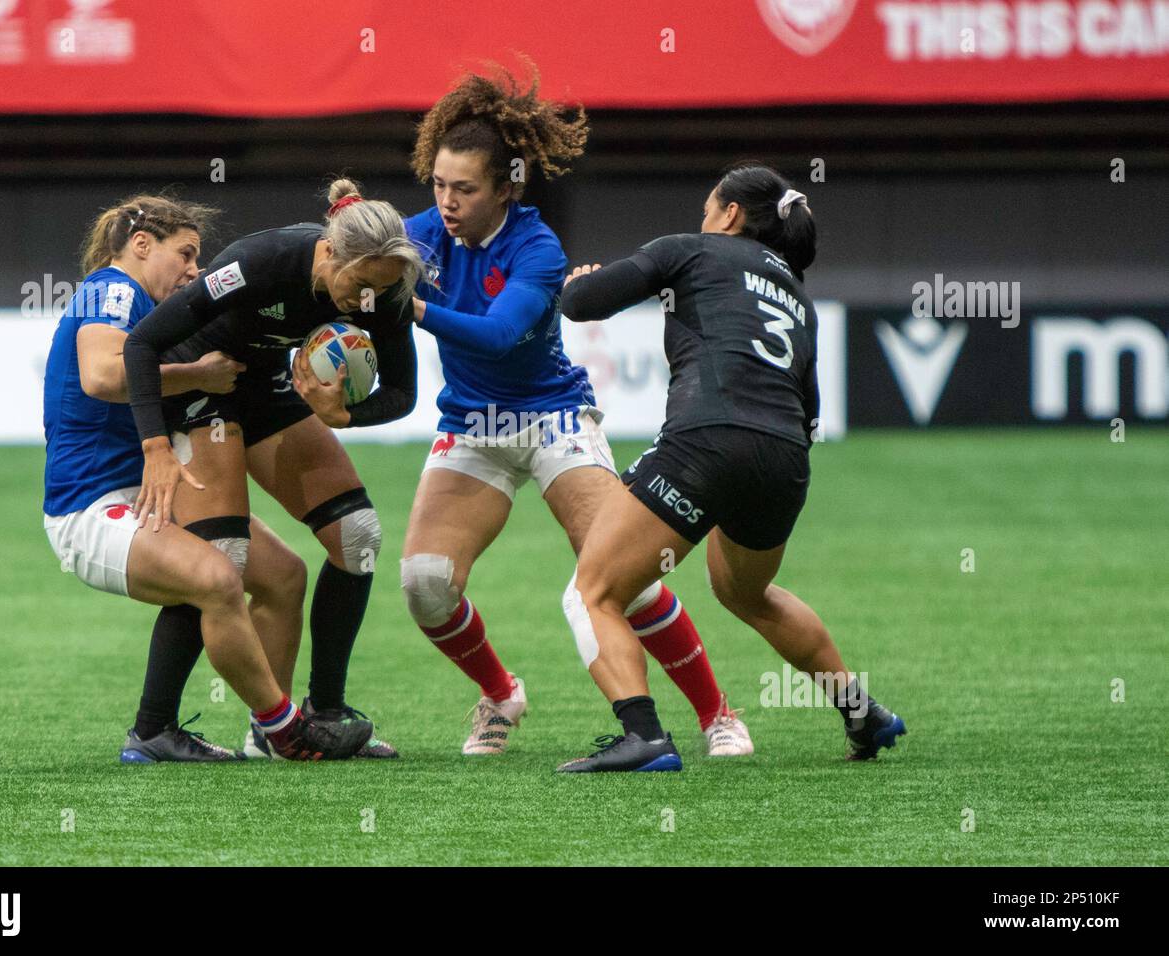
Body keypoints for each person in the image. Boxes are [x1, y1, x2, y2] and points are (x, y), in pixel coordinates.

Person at [400, 63, 752, 758]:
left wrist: (409, 305)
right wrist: (348, 241)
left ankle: (719, 715)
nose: (447, 201)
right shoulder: (419, 234)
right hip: (473, 424)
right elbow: (354, 264)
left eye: (465, 189)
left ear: (506, 187)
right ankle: (500, 694)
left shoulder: (537, 247)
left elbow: (501, 336)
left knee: (626, 575)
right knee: (424, 584)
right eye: (439, 185)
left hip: (552, 416)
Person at [556, 163, 907, 772]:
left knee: (595, 592)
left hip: (705, 442)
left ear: (730, 216)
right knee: (746, 592)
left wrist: (578, 282)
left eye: (706, 209)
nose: (702, 219)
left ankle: (644, 737)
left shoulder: (689, 250)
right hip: (784, 460)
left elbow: (583, 305)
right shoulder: (800, 299)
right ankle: (862, 712)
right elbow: (810, 411)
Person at [44, 194, 366, 762]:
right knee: (217, 577)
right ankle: (284, 729)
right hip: (89, 508)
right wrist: (199, 375)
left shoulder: (151, 307)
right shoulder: (114, 289)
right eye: (185, 253)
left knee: (284, 577)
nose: (195, 269)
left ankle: (195, 733)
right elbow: (100, 377)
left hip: (144, 496)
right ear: (140, 246)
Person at [122, 179, 424, 760]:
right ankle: (152, 729)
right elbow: (141, 345)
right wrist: (155, 447)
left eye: (379, 290)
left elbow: (404, 393)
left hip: (267, 386)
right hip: (203, 381)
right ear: (330, 252)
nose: (367, 300)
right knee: (222, 560)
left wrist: (345, 416)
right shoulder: (260, 263)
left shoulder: (383, 290)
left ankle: (317, 716)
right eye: (360, 284)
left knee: (358, 535)